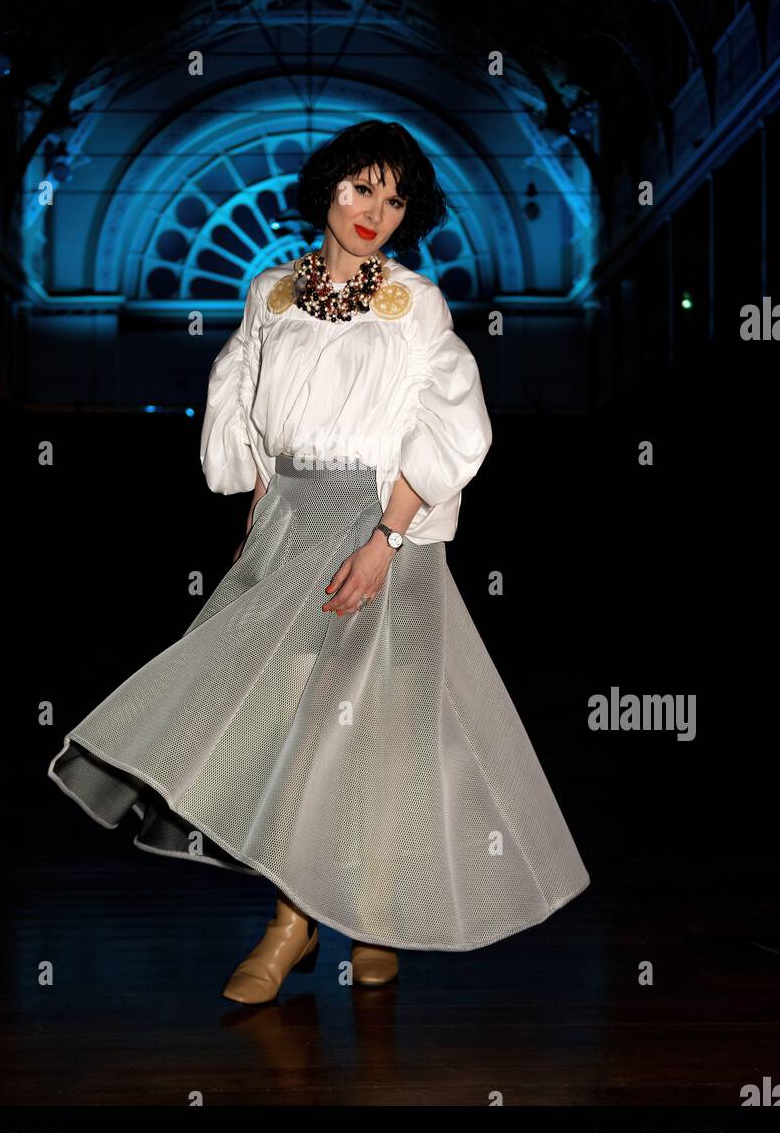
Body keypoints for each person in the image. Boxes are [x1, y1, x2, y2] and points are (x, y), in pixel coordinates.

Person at [48, 120, 590, 1006]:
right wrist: (261, 506)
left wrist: (385, 543)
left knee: (376, 733)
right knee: (287, 724)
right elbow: (246, 408)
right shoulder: (269, 295)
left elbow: (449, 428)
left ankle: (303, 925)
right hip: (288, 530)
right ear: (327, 189)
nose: (377, 210)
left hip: (381, 529)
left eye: (396, 196)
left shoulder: (416, 304)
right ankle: (331, 918)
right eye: (361, 187)